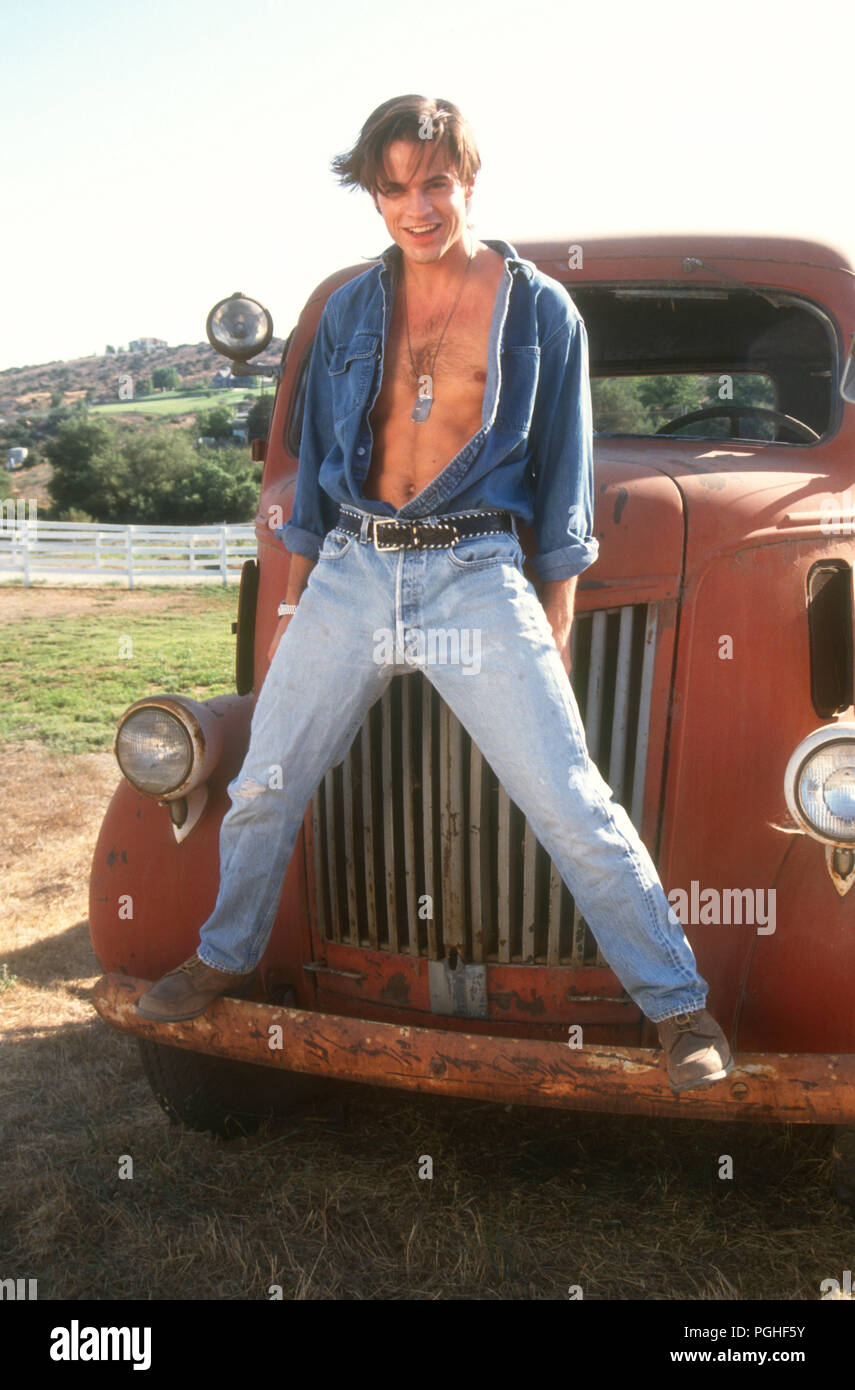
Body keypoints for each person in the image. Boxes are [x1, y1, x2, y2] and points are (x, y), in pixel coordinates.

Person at [138, 94, 733, 1094]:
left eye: (436, 183)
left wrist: (556, 611)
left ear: (468, 181)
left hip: (474, 568)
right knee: (264, 783)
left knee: (571, 798)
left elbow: (565, 470)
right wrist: (296, 603)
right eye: (395, 188)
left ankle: (680, 1008)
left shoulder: (538, 310)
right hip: (354, 567)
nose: (418, 206)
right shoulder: (348, 310)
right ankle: (224, 954)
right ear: (373, 196)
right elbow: (318, 466)